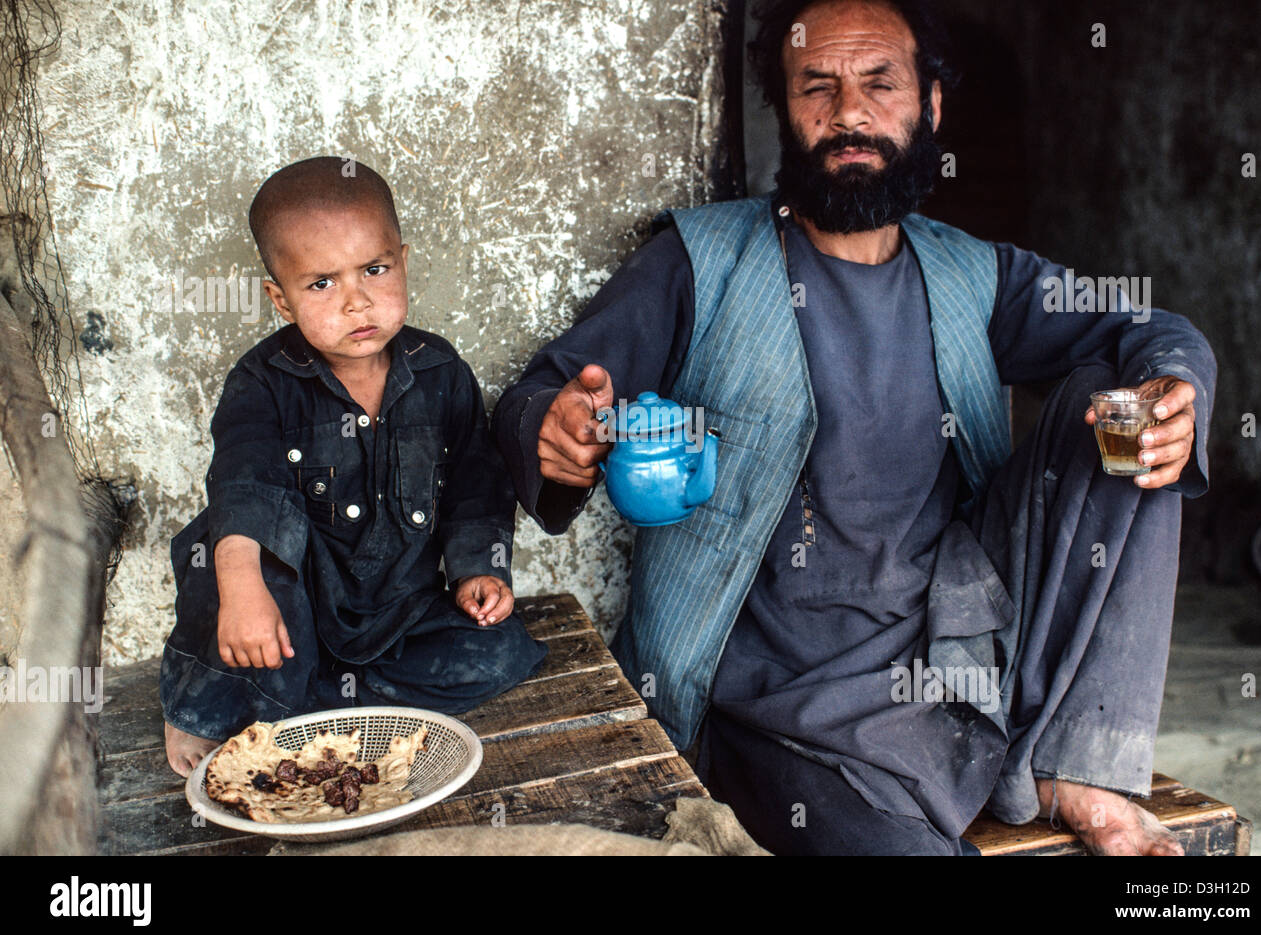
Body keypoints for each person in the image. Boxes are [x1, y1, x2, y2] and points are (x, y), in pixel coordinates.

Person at [492, 0, 1217, 855]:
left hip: (963, 651)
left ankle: (1073, 767)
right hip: (785, 707)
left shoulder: (973, 273)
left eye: (880, 83)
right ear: (784, 111)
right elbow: (540, 393)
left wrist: (1176, 384)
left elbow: (1139, 324)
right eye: (817, 88)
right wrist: (557, 428)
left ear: (931, 107)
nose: (850, 114)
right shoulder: (700, 261)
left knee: (1128, 406)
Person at [162, 156, 546, 777]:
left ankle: (312, 704)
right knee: (227, 562)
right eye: (321, 284)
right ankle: (205, 704)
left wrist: (479, 570)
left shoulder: (441, 371)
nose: (357, 301)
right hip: (290, 611)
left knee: (500, 654)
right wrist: (242, 590)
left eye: (375, 269)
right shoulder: (262, 383)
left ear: (403, 258)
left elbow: (476, 485)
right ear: (280, 299)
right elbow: (242, 486)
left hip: (397, 610)